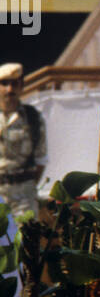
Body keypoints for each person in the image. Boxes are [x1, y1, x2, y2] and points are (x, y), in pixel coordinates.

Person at [0, 63, 46, 222]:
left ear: (21, 86)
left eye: (14, 84)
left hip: (24, 195)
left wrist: (26, 184)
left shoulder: (32, 118)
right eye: (4, 83)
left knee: (25, 242)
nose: (9, 89)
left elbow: (41, 159)